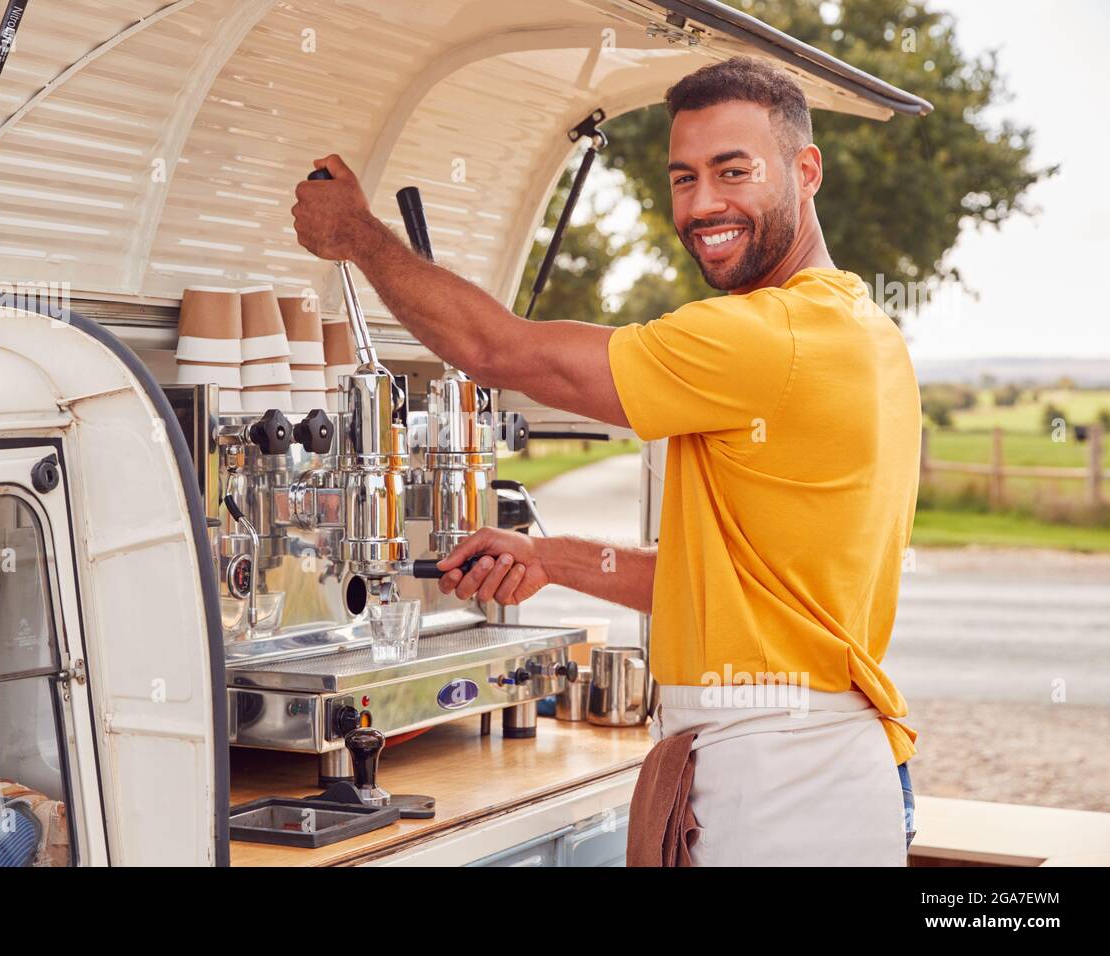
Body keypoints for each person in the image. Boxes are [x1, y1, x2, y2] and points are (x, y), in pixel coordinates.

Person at [291, 56, 919, 865]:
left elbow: (496, 349)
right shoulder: (869, 334)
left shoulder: (764, 337)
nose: (702, 204)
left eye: (733, 172)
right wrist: (548, 558)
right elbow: (723, 584)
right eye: (684, 177)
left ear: (807, 170)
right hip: (830, 763)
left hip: (778, 789)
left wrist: (360, 239)